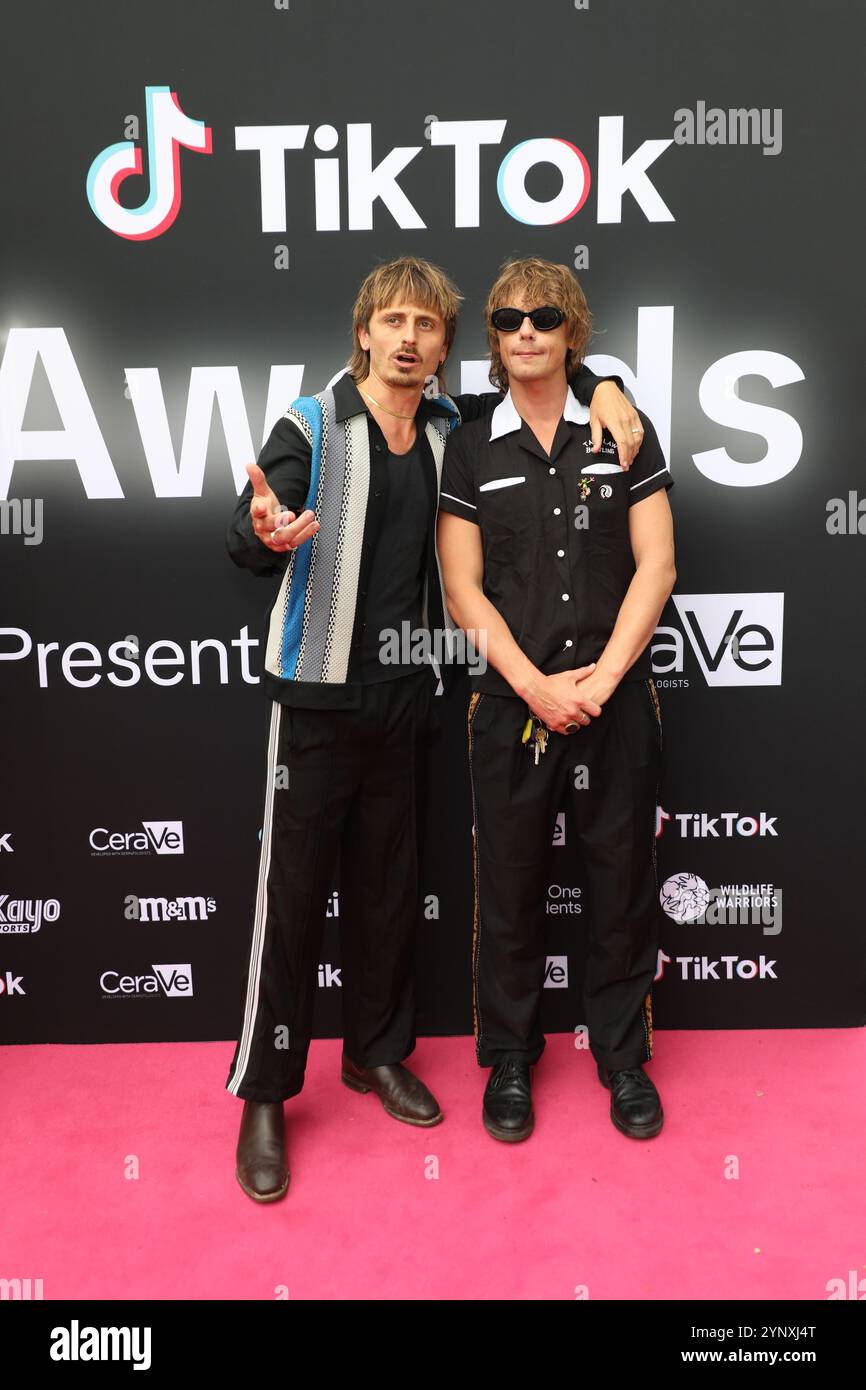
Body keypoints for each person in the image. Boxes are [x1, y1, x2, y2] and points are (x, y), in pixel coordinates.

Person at [224, 256, 643, 1202]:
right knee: (290, 908)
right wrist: (266, 530)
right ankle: (265, 1098)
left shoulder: (453, 427)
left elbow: (549, 365)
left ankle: (375, 1056)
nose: (409, 338)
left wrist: (603, 382)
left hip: (410, 697)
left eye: (427, 325)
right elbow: (254, 528)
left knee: (388, 890)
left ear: (447, 348)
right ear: (363, 332)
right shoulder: (314, 422)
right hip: (317, 702)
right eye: (393, 321)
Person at [436, 257, 676, 1144]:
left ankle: (622, 1058)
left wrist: (605, 680)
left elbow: (659, 565)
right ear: (494, 341)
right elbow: (462, 588)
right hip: (512, 701)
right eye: (507, 319)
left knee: (621, 879)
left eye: (543, 315)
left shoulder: (623, 428)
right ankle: (508, 1058)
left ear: (571, 329)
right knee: (508, 885)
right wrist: (535, 688)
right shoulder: (467, 442)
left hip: (614, 694)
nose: (525, 329)